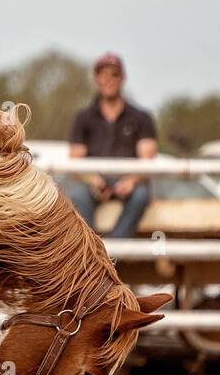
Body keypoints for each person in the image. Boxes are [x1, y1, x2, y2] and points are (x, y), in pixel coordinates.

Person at [67, 52, 158, 238]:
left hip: (128, 181)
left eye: (114, 74)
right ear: (96, 79)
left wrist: (131, 181)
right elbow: (75, 162)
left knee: (141, 196)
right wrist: (92, 178)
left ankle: (107, 256)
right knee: (78, 195)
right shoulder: (83, 118)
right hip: (94, 181)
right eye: (102, 75)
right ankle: (91, 248)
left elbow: (147, 160)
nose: (108, 80)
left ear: (123, 78)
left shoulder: (141, 117)